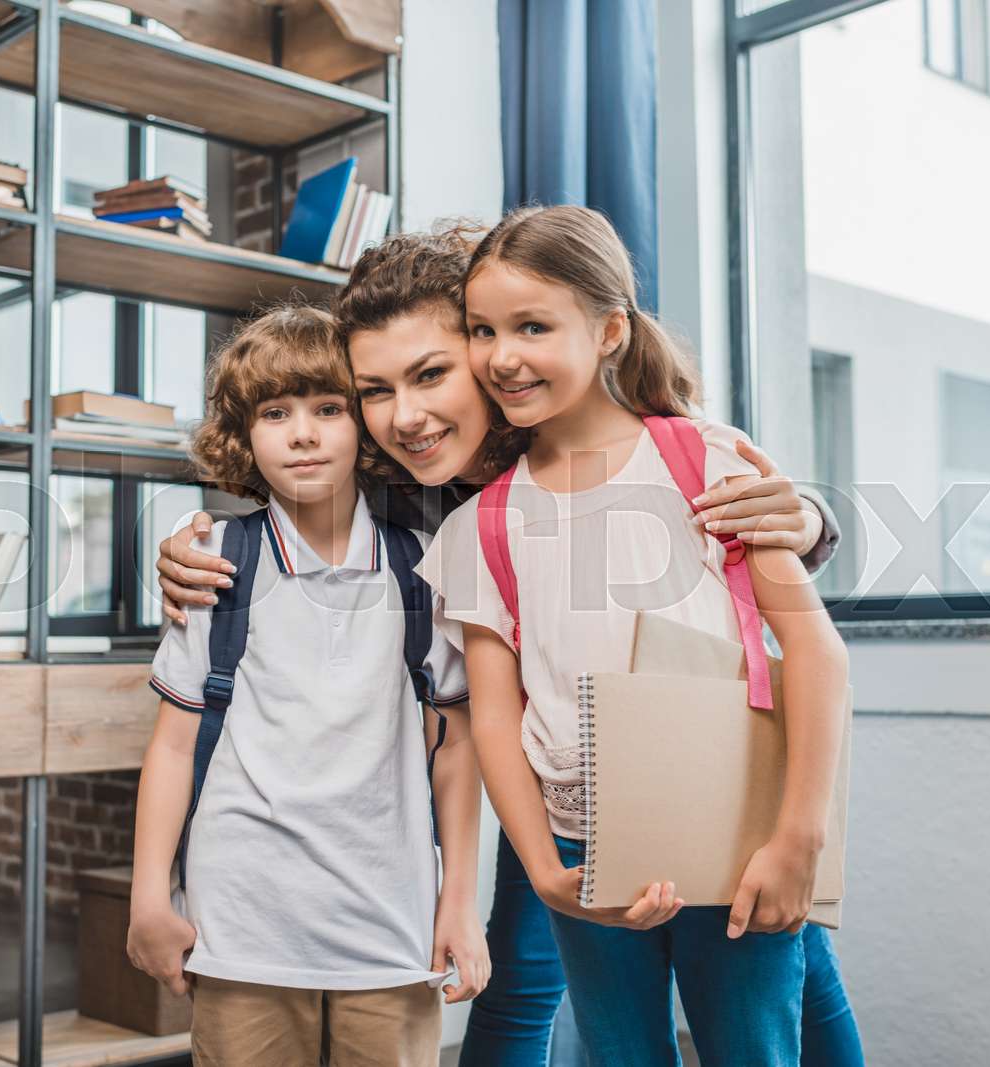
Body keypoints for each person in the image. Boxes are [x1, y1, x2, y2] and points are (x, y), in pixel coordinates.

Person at [155, 225, 864, 1066]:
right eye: (376, 390)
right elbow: (282, 497)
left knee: (778, 963)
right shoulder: (400, 477)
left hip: (686, 760)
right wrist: (189, 548)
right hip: (541, 765)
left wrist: (814, 517)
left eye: (435, 372)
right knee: (536, 972)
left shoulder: (619, 436)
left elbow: (744, 514)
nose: (407, 416)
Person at [416, 204, 850, 1066]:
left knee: (755, 1048)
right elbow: (495, 717)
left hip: (736, 825)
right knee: (618, 1052)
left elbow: (816, 652)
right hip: (585, 847)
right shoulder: (478, 528)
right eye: (482, 330)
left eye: (532, 325)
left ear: (610, 329)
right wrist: (543, 871)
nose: (501, 354)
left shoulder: (706, 462)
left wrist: (800, 834)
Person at [125, 305, 491, 1067]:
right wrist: (148, 896)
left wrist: (460, 900)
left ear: (365, 426)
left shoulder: (422, 565)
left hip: (390, 926)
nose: (302, 433)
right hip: (243, 927)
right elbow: (172, 745)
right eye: (275, 412)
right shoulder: (217, 560)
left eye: (329, 408)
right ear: (242, 431)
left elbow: (455, 748)